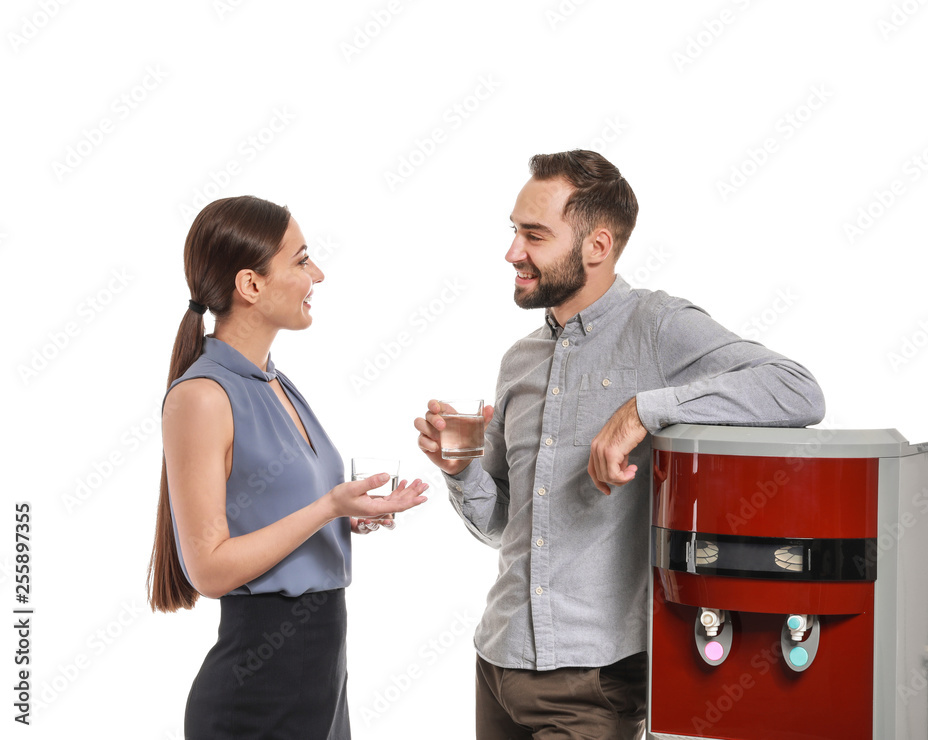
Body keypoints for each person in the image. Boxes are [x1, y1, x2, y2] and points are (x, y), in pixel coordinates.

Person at [414, 150, 825, 739]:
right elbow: (503, 525)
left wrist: (643, 410)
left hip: (593, 684)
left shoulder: (659, 328)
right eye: (514, 232)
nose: (512, 253)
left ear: (597, 246)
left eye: (534, 235)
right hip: (496, 662)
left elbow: (796, 391)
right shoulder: (519, 361)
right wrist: (460, 470)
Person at [147, 195, 427, 739]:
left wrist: (344, 517)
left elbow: (272, 517)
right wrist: (326, 506)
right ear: (250, 285)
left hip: (322, 680)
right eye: (301, 260)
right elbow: (208, 569)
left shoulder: (275, 382)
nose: (317, 273)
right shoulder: (203, 396)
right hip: (259, 692)